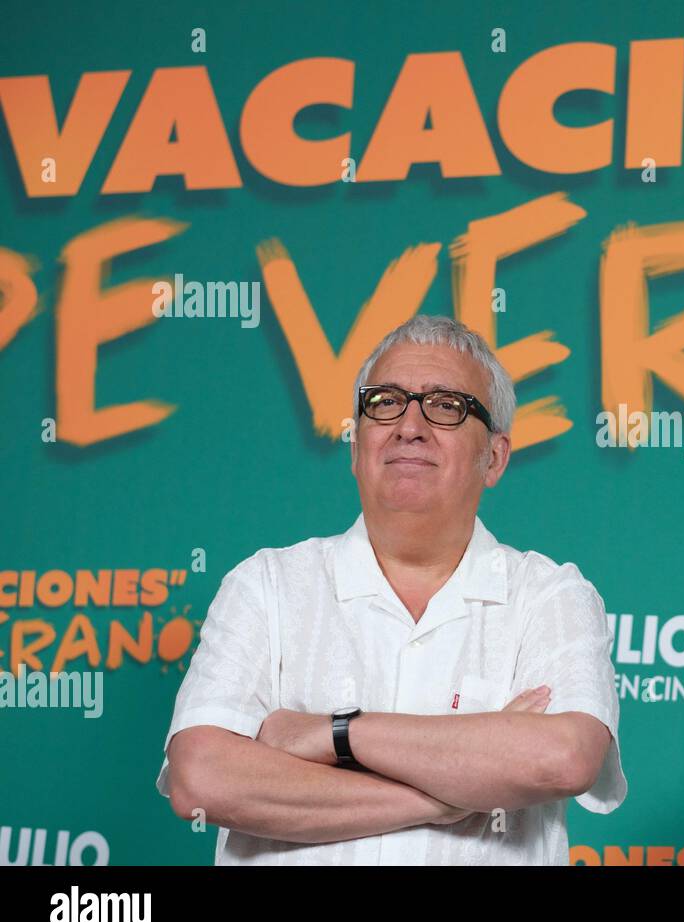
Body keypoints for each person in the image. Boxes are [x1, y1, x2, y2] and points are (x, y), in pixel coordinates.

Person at [156, 314, 626, 864]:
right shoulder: (267, 584)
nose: (409, 425)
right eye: (385, 402)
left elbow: (563, 759)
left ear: (494, 457)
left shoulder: (549, 595)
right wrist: (449, 792)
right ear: (356, 446)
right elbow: (202, 779)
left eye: (446, 406)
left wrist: (335, 735)